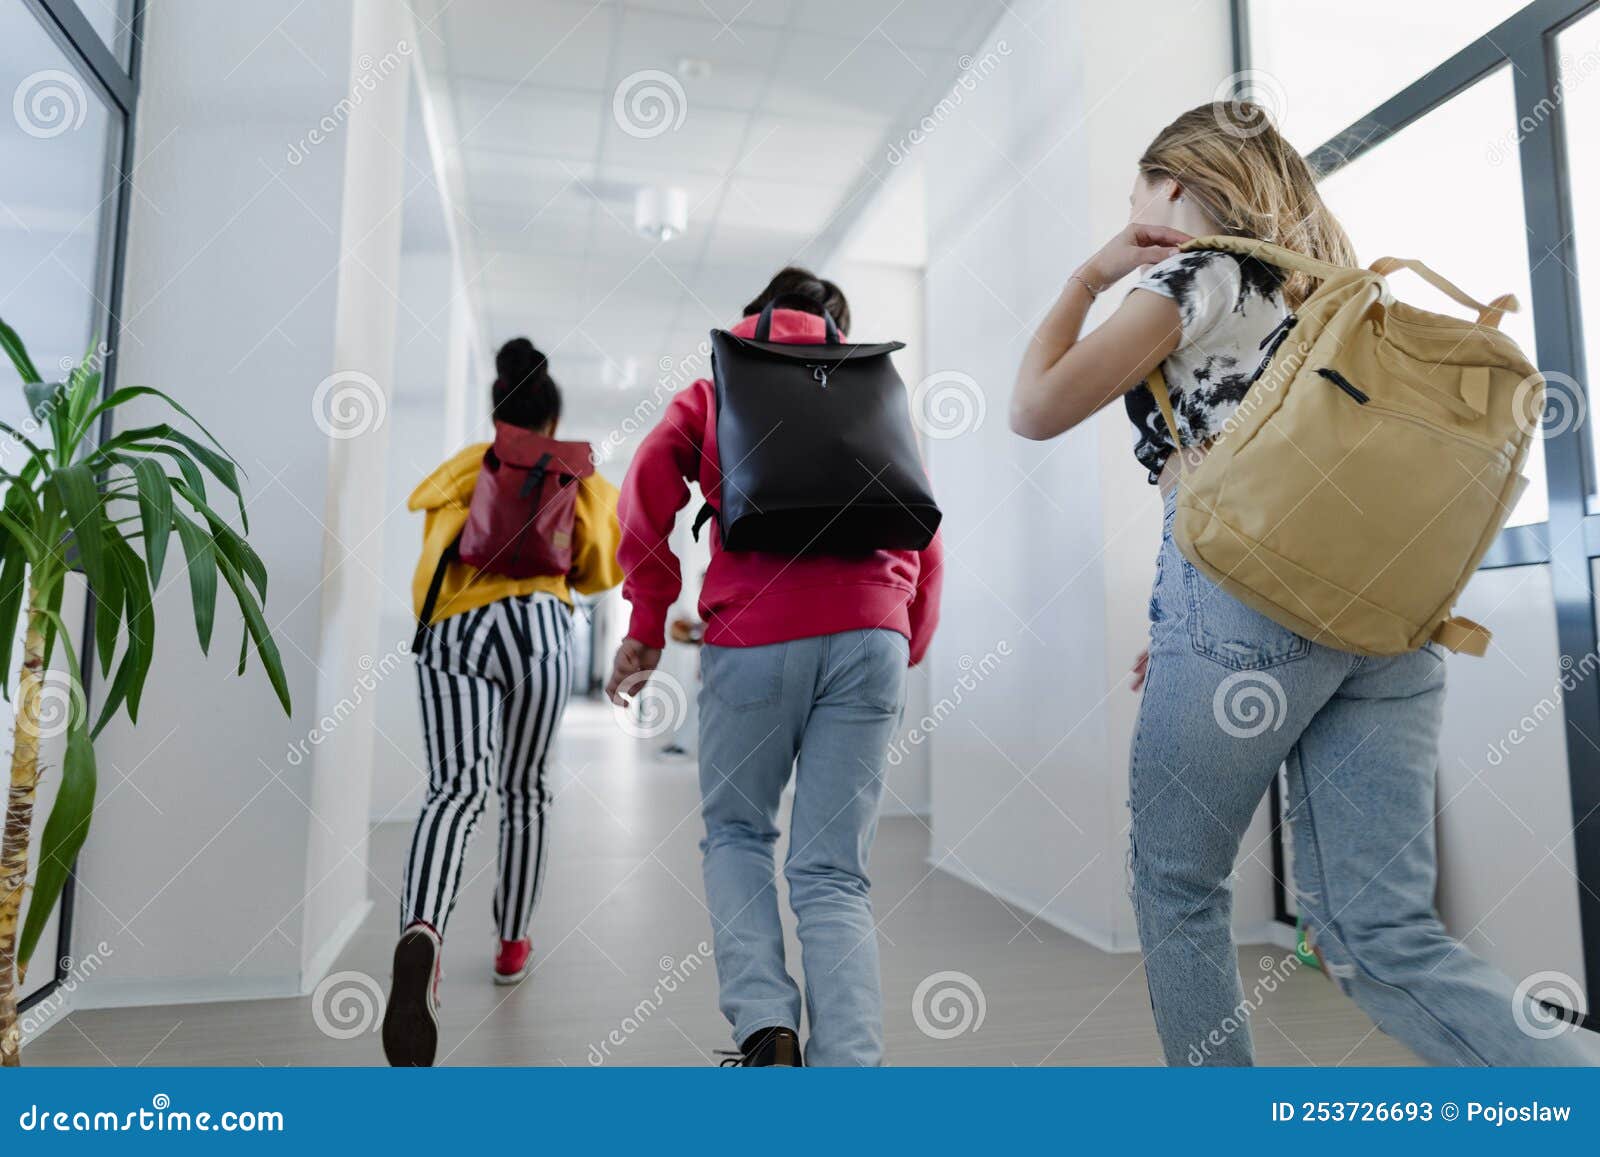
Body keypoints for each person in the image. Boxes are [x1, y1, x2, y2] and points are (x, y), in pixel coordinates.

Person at [1009, 102, 1588, 1066]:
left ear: (1173, 184)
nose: (1132, 214)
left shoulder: (1195, 272)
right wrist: (1188, 626)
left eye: (1136, 194)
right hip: (1387, 621)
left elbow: (1035, 407)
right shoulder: (1325, 293)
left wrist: (1089, 275)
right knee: (1385, 933)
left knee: (1177, 884)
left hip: (1246, 601)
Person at [608, 268, 943, 1067]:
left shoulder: (720, 386)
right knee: (834, 872)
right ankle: (849, 1070)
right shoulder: (874, 392)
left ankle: (767, 1027)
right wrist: (904, 639)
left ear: (757, 317)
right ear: (838, 330)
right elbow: (926, 532)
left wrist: (648, 623)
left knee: (737, 832)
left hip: (754, 631)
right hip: (872, 634)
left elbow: (646, 482)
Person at [383, 338, 623, 1067]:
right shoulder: (578, 475)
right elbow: (601, 566)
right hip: (541, 631)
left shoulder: (466, 467)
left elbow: (430, 551)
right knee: (526, 791)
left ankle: (423, 930)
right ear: (552, 418)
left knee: (453, 789)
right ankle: (512, 943)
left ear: (497, 413)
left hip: (458, 627)